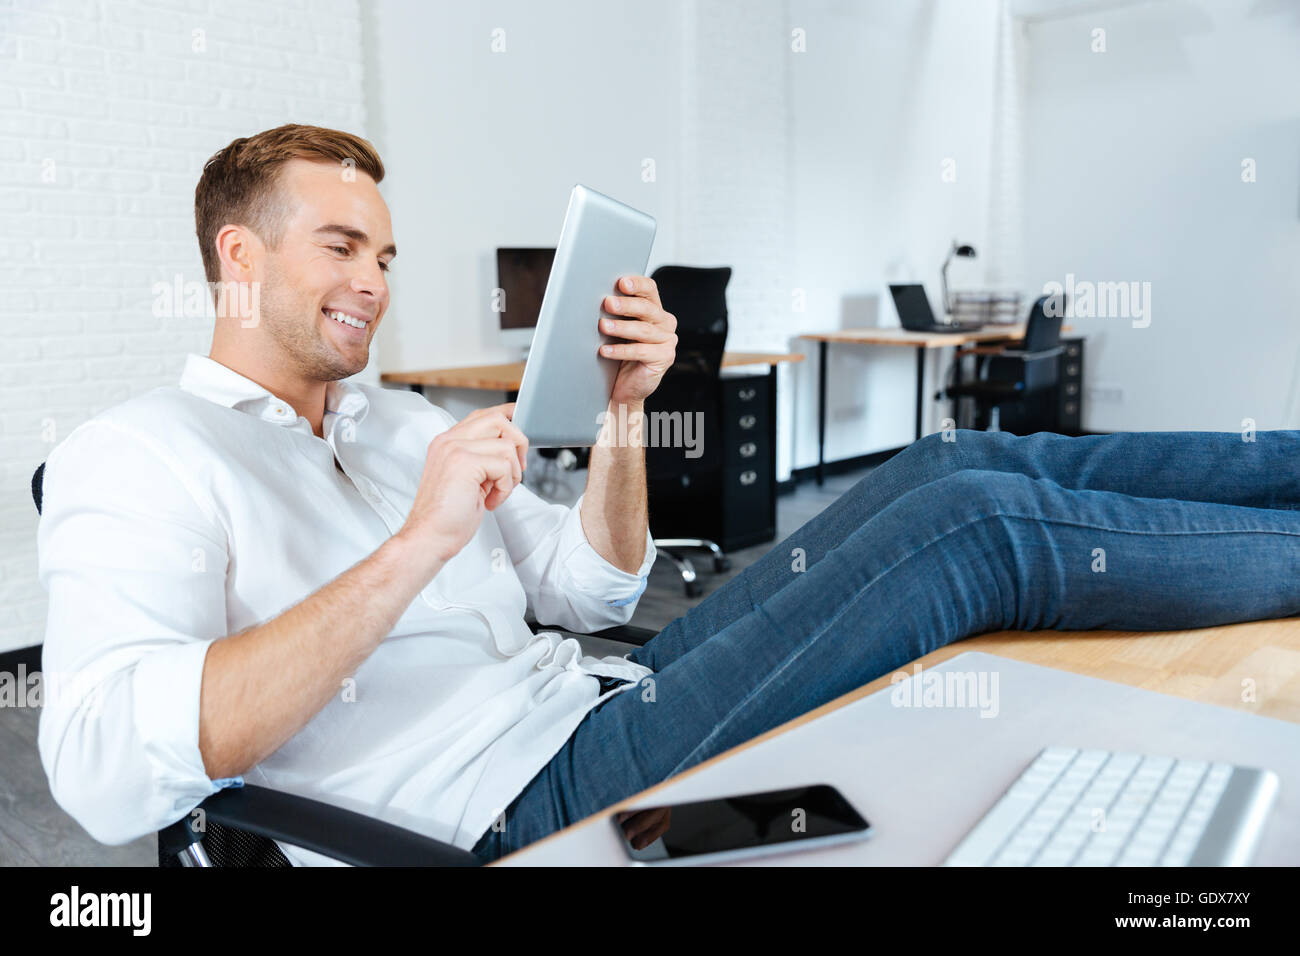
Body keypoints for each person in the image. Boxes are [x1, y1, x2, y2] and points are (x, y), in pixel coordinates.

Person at [36, 125, 1300, 867]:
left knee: (941, 467)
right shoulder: (141, 454)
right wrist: (419, 543)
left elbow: (594, 585)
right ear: (237, 256)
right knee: (966, 531)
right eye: (339, 246)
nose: (373, 279)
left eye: (384, 252)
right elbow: (99, 774)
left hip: (602, 701)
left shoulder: (398, 420)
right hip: (512, 804)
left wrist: (630, 410)